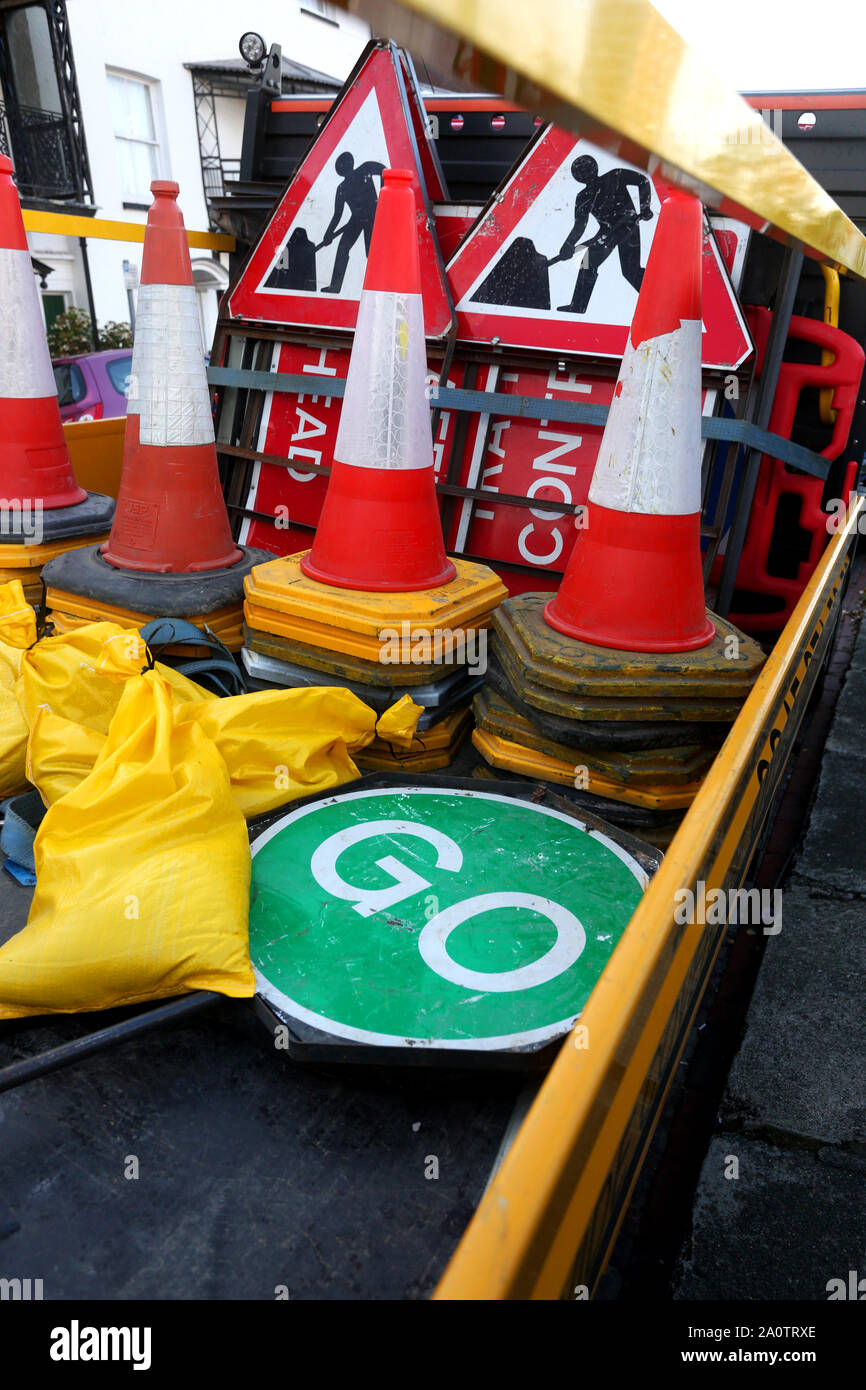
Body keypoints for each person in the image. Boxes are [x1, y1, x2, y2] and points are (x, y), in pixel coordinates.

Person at [548, 155, 654, 314]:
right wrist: (567, 246)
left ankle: (660, 299)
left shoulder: (615, 176)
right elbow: (579, 226)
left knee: (630, 271)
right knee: (588, 263)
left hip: (628, 227)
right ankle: (578, 306)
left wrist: (644, 208)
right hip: (607, 233)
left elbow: (642, 180)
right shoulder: (584, 196)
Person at [317, 152, 385, 294]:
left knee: (371, 253)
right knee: (343, 248)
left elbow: (385, 170)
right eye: (341, 169)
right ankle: (335, 286)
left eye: (345, 166)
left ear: (351, 163)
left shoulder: (365, 169)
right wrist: (328, 233)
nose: (344, 170)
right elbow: (337, 214)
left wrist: (383, 195)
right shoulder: (342, 189)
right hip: (356, 219)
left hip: (373, 216)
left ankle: (381, 286)